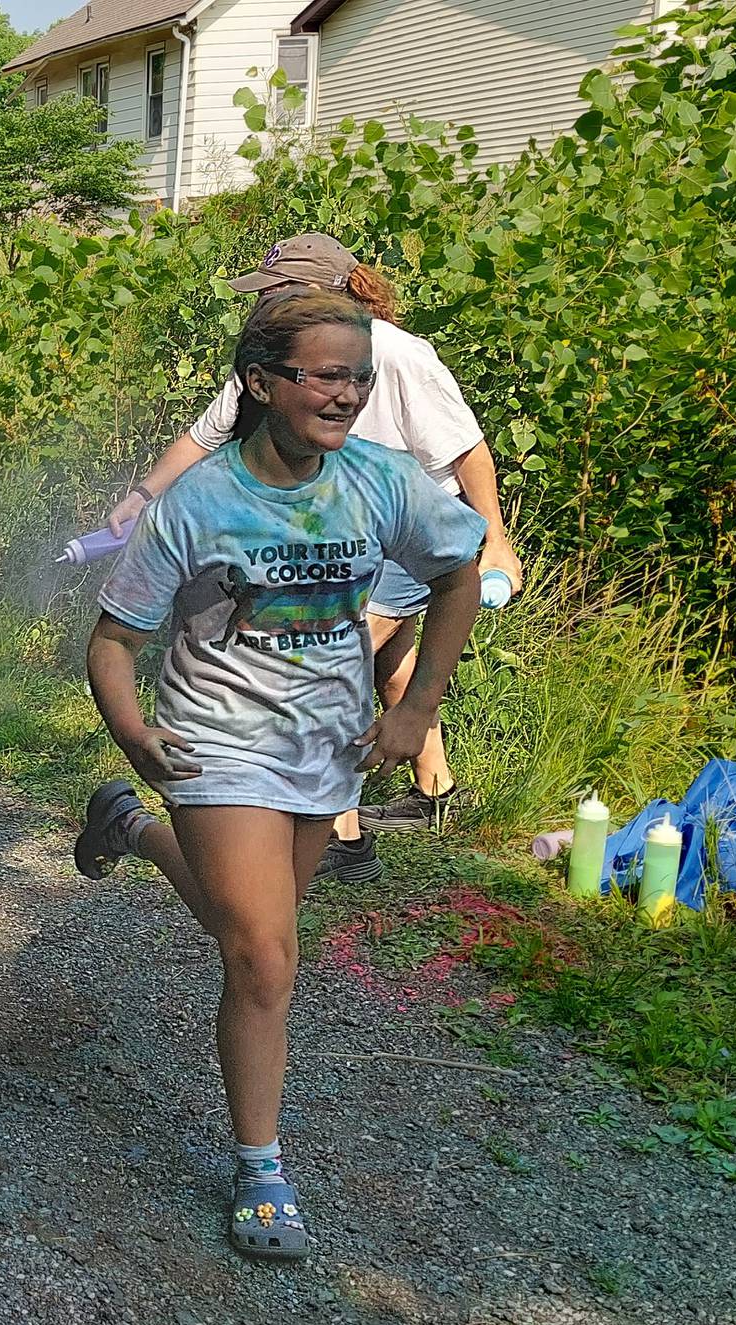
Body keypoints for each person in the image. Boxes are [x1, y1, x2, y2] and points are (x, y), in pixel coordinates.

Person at [77, 290, 485, 1259]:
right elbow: (112, 640)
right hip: (215, 740)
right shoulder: (197, 503)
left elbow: (456, 573)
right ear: (261, 383)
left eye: (359, 378)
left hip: (326, 743)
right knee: (263, 957)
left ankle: (131, 830)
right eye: (326, 376)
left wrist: (417, 707)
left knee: (253, 934)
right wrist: (133, 731)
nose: (348, 396)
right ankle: (260, 1167)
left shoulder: (380, 481)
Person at [109, 234, 522, 881]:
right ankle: (427, 790)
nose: (263, 302)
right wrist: (144, 496)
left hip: (399, 533)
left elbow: (466, 448)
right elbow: (205, 436)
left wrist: (494, 536)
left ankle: (343, 827)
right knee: (383, 665)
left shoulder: (396, 355)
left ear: (322, 291)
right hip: (306, 531)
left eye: (277, 290)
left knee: (332, 654)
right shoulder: (273, 363)